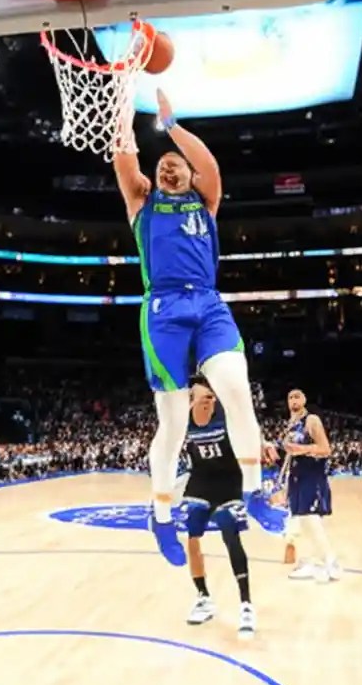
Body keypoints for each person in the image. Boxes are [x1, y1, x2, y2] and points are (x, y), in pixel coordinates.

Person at [113, 88, 274, 566]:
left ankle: (254, 493)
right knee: (174, 422)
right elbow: (125, 160)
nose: (170, 166)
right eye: (163, 164)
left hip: (207, 302)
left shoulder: (207, 199)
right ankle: (161, 517)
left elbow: (213, 168)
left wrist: (172, 125)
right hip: (162, 309)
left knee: (237, 391)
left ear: (189, 172)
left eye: (177, 163)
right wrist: (123, 115)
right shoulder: (142, 201)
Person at [180, 376, 256, 639]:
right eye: (202, 397)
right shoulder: (183, 419)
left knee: (229, 534)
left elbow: (249, 427)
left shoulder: (226, 414)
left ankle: (246, 604)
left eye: (211, 397)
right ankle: (203, 598)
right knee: (192, 536)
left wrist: (263, 444)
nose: (208, 401)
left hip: (228, 481)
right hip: (200, 481)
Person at [279, 389, 342, 582]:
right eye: (290, 397)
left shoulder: (311, 420)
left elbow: (325, 449)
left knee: (311, 518)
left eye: (297, 396)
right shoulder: (290, 426)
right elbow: (290, 457)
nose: (294, 400)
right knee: (302, 520)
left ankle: (331, 562)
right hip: (296, 476)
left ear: (305, 400)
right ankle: (313, 562)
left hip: (311, 475)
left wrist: (302, 449)